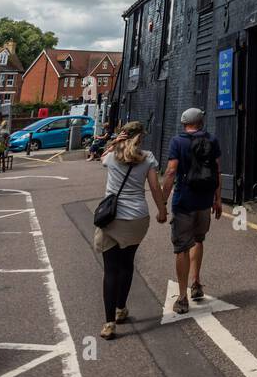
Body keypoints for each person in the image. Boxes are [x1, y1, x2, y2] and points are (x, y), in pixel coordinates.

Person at [94, 121, 166, 340]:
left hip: (113, 218)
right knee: (127, 264)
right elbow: (155, 188)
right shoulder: (148, 158)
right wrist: (162, 211)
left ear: (123, 136)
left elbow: (101, 158)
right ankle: (121, 309)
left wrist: (113, 143)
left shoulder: (112, 156)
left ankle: (109, 324)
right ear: (140, 137)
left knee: (110, 270)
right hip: (137, 218)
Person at [162, 107, 222, 314]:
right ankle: (196, 283)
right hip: (204, 201)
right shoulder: (212, 140)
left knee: (181, 248)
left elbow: (170, 171)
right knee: (199, 240)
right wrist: (218, 198)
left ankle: (182, 297)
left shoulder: (177, 142)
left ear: (184, 123)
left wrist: (162, 201)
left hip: (184, 201)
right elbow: (216, 169)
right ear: (200, 122)